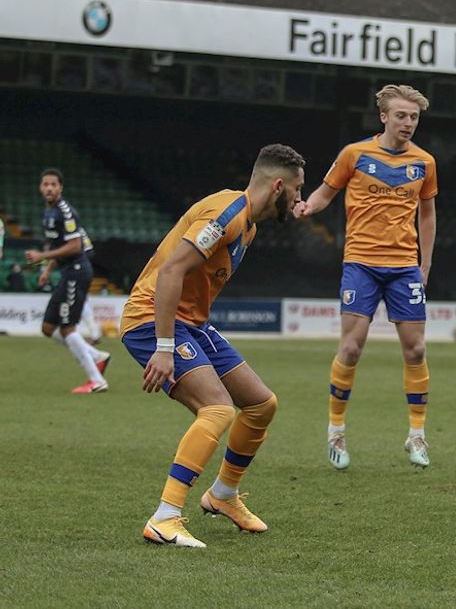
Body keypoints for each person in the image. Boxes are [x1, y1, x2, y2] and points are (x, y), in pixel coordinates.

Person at [120, 144, 305, 548]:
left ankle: (222, 496)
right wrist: (164, 346)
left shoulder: (249, 227)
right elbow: (170, 271)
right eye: (297, 190)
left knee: (260, 404)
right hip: (151, 317)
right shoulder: (227, 214)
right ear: (278, 186)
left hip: (192, 324)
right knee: (218, 409)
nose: (299, 200)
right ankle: (164, 517)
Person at [294, 84, 438, 470]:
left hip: (404, 266)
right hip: (360, 263)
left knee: (417, 350)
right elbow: (327, 191)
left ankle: (417, 436)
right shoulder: (354, 155)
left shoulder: (424, 162)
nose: (408, 123)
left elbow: (427, 214)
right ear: (384, 117)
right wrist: (309, 206)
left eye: (414, 117)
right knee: (352, 348)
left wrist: (424, 266)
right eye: (401, 116)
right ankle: (336, 432)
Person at [25, 168, 110, 393]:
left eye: (53, 184)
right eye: (45, 184)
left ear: (60, 187)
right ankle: (95, 355)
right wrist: (47, 269)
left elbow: (74, 246)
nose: (49, 188)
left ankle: (96, 380)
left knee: (66, 328)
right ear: (40, 187)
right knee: (47, 327)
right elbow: (57, 247)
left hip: (77, 272)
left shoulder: (65, 211)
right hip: (66, 272)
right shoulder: (48, 213)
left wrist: (42, 257)